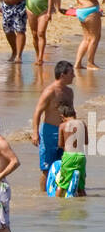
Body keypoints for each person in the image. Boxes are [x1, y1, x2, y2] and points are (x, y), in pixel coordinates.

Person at [32, 61, 74, 192]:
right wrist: (35, 133)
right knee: (47, 168)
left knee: (64, 166)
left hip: (66, 133)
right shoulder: (50, 91)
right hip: (49, 132)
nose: (74, 76)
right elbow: (37, 112)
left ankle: (59, 194)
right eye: (71, 73)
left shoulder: (70, 92)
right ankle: (43, 196)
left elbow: (72, 113)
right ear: (62, 75)